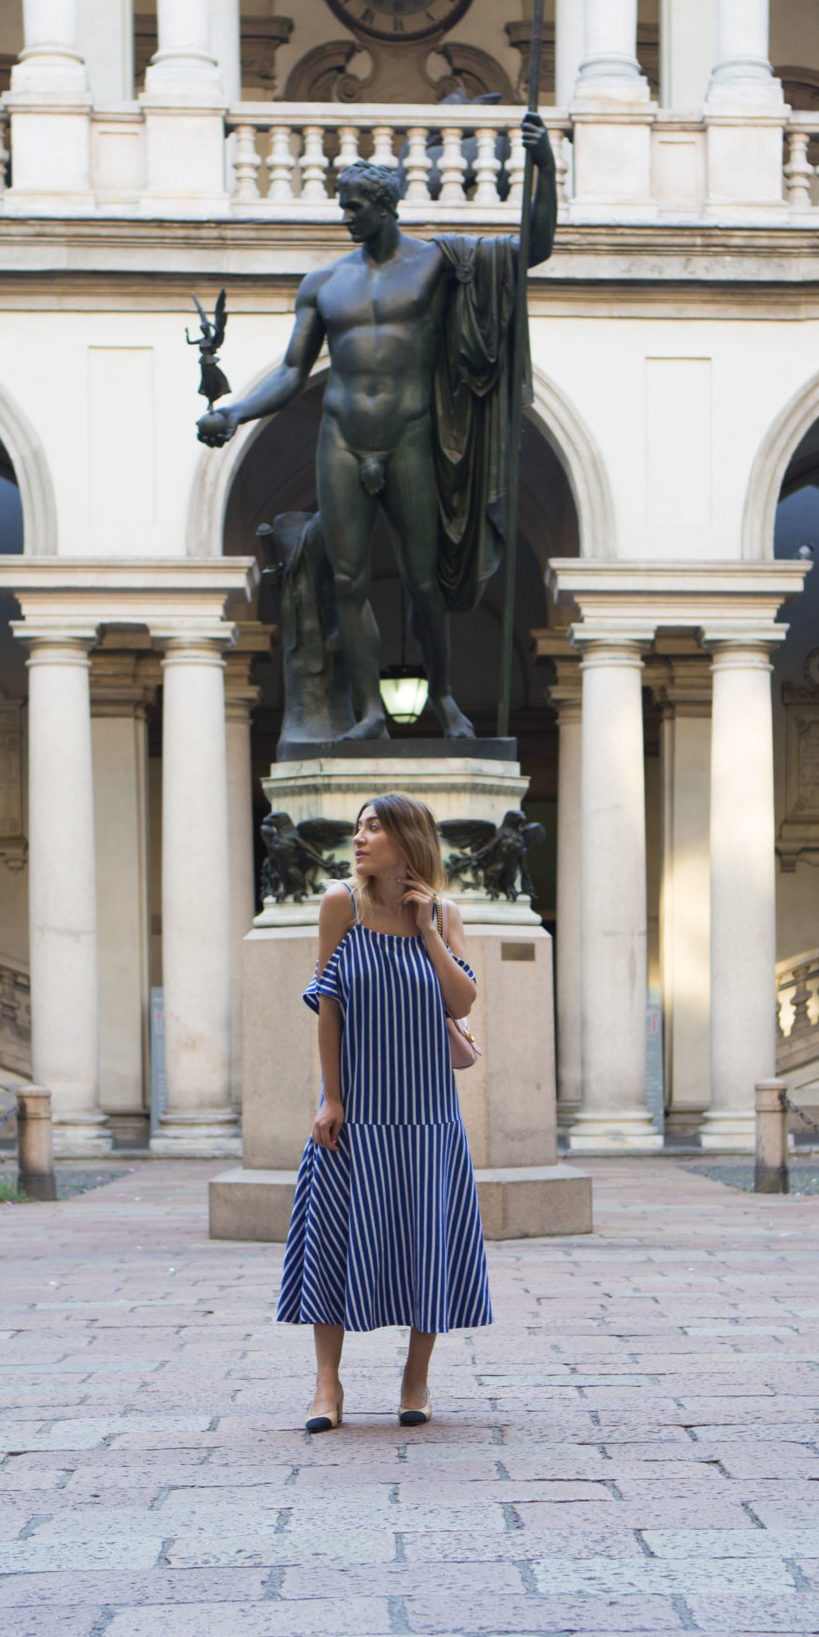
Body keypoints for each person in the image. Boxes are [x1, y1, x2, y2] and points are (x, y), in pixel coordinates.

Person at [196, 117, 557, 740]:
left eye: (356, 208)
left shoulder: (439, 264)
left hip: (411, 437)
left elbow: (534, 248)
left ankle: (442, 699)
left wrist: (544, 167)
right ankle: (368, 712)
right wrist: (235, 411)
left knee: (423, 585)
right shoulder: (323, 284)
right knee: (347, 581)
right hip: (341, 437)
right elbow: (291, 371)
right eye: (344, 208)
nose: (347, 219)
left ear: (387, 208)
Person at [279, 792, 489, 1430]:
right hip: (358, 1108)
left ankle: (415, 1380)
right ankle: (326, 1388)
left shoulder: (443, 913)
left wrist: (427, 930)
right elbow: (329, 1005)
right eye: (359, 827)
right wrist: (332, 1097)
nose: (360, 837)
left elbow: (463, 1003)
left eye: (375, 827)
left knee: (426, 1241)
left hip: (428, 1114)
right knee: (333, 1241)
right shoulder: (342, 903)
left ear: (408, 838)